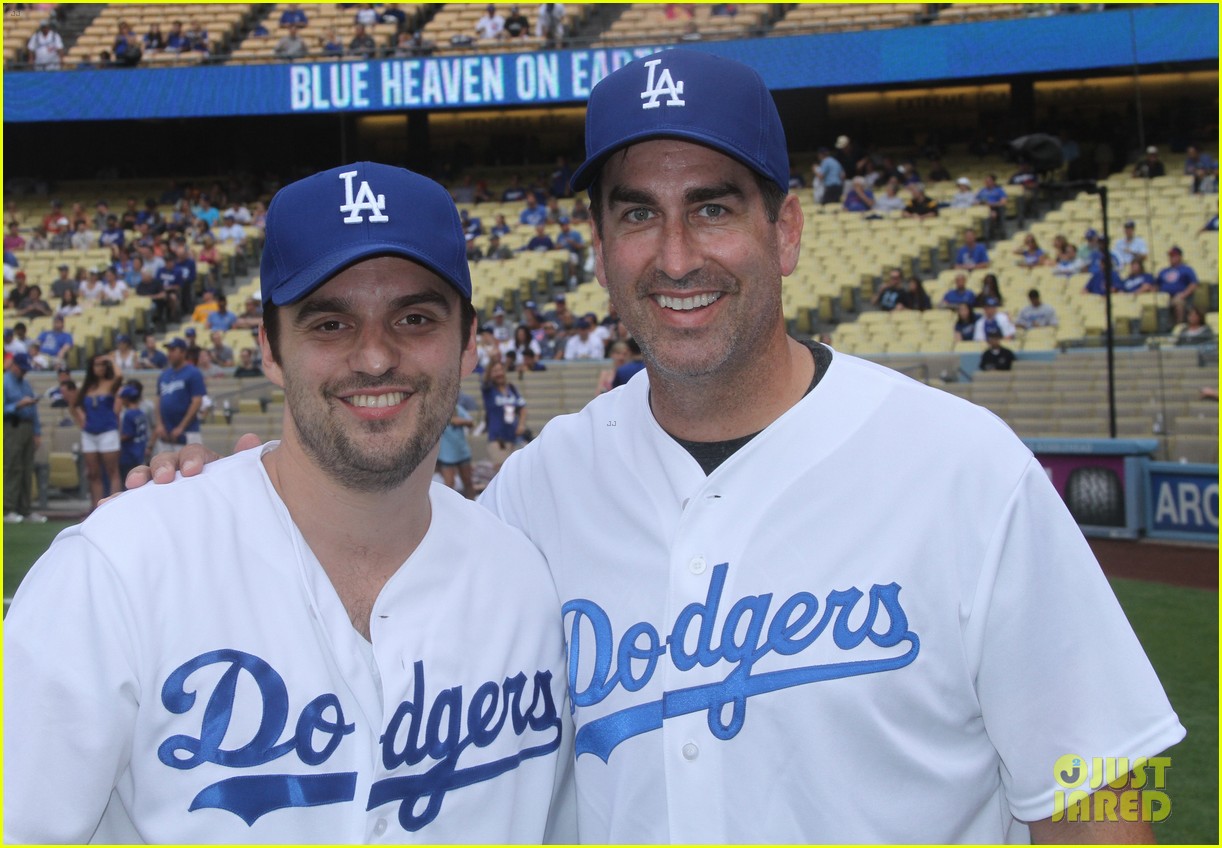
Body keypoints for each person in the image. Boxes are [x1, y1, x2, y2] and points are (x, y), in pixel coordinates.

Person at [136, 54, 1184, 844]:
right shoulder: (539, 490)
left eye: (712, 208)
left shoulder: (962, 465)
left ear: (785, 230)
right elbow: (374, 597)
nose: (674, 254)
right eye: (636, 213)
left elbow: (1105, 771)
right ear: (599, 249)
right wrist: (208, 500)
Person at [4, 162, 572, 843]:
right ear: (269, 349)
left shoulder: (526, 585)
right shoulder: (119, 570)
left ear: (470, 341)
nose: (375, 358)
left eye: (414, 317)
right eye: (329, 324)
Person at [73, 355, 124, 511]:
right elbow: (75, 405)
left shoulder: (110, 384)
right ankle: (96, 508)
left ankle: (114, 507)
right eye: (97, 365)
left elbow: (119, 376)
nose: (100, 368)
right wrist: (82, 420)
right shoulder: (87, 387)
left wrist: (111, 359)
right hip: (90, 433)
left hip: (107, 431)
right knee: (93, 473)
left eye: (103, 365)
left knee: (112, 471)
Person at [3, 353, 46, 524]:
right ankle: (8, 509)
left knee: (27, 468)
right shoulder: (5, 382)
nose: (24, 372)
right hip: (12, 426)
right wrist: (17, 405)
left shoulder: (26, 384)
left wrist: (36, 432)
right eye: (22, 369)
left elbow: (34, 409)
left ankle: (25, 509)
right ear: (13, 365)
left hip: (27, 426)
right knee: (12, 467)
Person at [153, 337, 207, 455]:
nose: (169, 354)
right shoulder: (164, 374)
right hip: (166, 433)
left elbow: (197, 401)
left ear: (183, 352)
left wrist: (181, 427)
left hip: (188, 432)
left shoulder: (193, 373)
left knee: (192, 467)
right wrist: (159, 424)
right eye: (168, 350)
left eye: (173, 350)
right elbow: (158, 400)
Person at [480, 360, 526, 471]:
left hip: (513, 437)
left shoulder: (511, 389)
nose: (499, 373)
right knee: (501, 471)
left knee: (514, 471)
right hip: (497, 439)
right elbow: (484, 380)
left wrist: (521, 424)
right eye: (495, 371)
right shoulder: (489, 390)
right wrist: (493, 357)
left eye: (500, 370)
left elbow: (522, 407)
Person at [438, 400, 476, 498]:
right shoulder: (439, 411)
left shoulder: (458, 408)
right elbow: (452, 421)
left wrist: (459, 421)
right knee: (449, 483)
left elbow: (471, 422)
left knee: (468, 481)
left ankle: (473, 504)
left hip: (462, 452)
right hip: (447, 454)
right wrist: (457, 420)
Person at [1156, 245, 1199, 326]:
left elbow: (1193, 284)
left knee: (1178, 302)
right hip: (1163, 298)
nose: (1172, 258)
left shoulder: (1186, 269)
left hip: (1180, 297)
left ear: (1180, 257)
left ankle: (1179, 325)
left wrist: (1183, 295)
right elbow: (1157, 285)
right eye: (1170, 256)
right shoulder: (1163, 271)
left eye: (1174, 256)